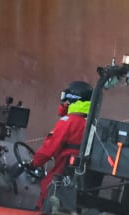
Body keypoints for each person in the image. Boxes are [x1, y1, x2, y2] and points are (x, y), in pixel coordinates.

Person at [29, 80, 93, 208]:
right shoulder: (91, 122)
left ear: (71, 100)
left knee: (47, 187)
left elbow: (49, 149)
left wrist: (33, 163)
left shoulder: (67, 121)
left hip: (62, 170)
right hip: (79, 175)